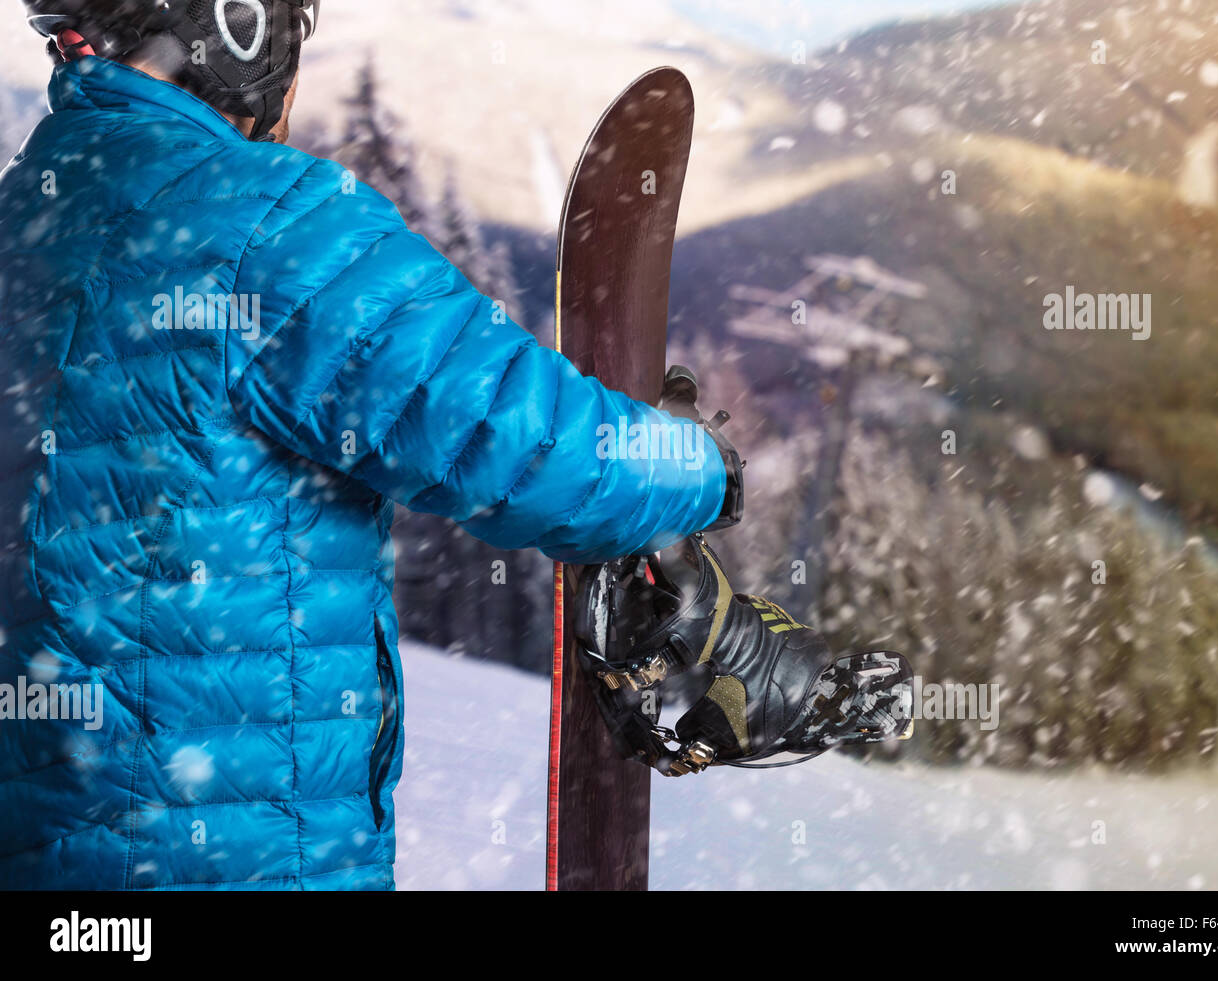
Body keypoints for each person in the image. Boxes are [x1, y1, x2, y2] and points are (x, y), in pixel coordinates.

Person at [0, 1, 731, 890]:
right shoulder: (263, 223)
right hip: (241, 857)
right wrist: (702, 468)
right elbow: (517, 434)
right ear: (233, 31)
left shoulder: (20, 224)